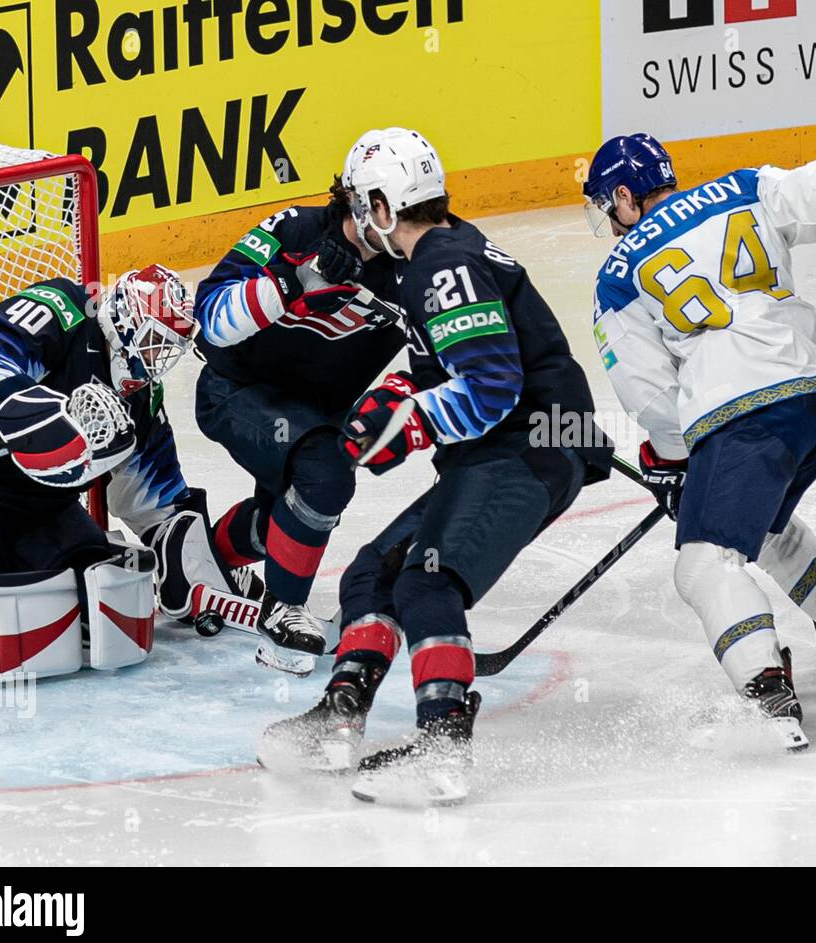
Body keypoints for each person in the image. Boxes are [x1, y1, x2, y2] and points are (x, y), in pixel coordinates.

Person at [259, 128, 612, 803]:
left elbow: (489, 387)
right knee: (373, 573)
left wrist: (412, 420)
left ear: (388, 208)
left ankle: (443, 748)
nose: (357, 222)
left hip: (529, 450)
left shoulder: (441, 264)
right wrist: (401, 394)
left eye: (364, 207)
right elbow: (459, 363)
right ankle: (341, 719)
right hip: (512, 446)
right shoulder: (443, 250)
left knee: (427, 582)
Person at [580, 133, 816, 751]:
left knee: (703, 562)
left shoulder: (616, 277)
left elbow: (652, 398)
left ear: (625, 197)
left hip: (747, 417)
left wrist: (676, 462)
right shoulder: (742, 187)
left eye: (608, 206)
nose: (609, 222)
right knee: (761, 525)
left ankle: (768, 690)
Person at [0, 266, 233, 680]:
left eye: (167, 349)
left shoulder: (142, 399)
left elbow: (159, 502)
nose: (155, 359)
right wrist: (18, 411)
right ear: (125, 320)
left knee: (101, 580)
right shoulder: (66, 309)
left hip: (43, 508)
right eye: (151, 342)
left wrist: (199, 573)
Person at [193, 149, 407, 676]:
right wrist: (292, 285)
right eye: (392, 209)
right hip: (236, 389)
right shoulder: (293, 231)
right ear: (358, 202)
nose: (404, 224)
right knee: (324, 474)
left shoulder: (420, 263)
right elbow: (210, 319)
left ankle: (201, 560)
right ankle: (281, 613)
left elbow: (466, 336)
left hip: (313, 408)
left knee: (286, 520)